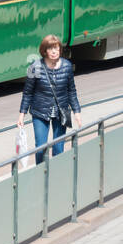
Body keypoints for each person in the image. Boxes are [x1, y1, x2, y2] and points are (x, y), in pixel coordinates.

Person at [17, 34, 82, 165]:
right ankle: (41, 173)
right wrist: (21, 114)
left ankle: (57, 174)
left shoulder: (67, 66)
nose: (54, 52)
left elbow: (71, 91)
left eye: (56, 49)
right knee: (41, 147)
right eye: (50, 48)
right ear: (44, 50)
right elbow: (27, 92)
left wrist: (77, 112)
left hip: (61, 112)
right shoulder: (34, 67)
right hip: (40, 111)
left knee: (59, 148)